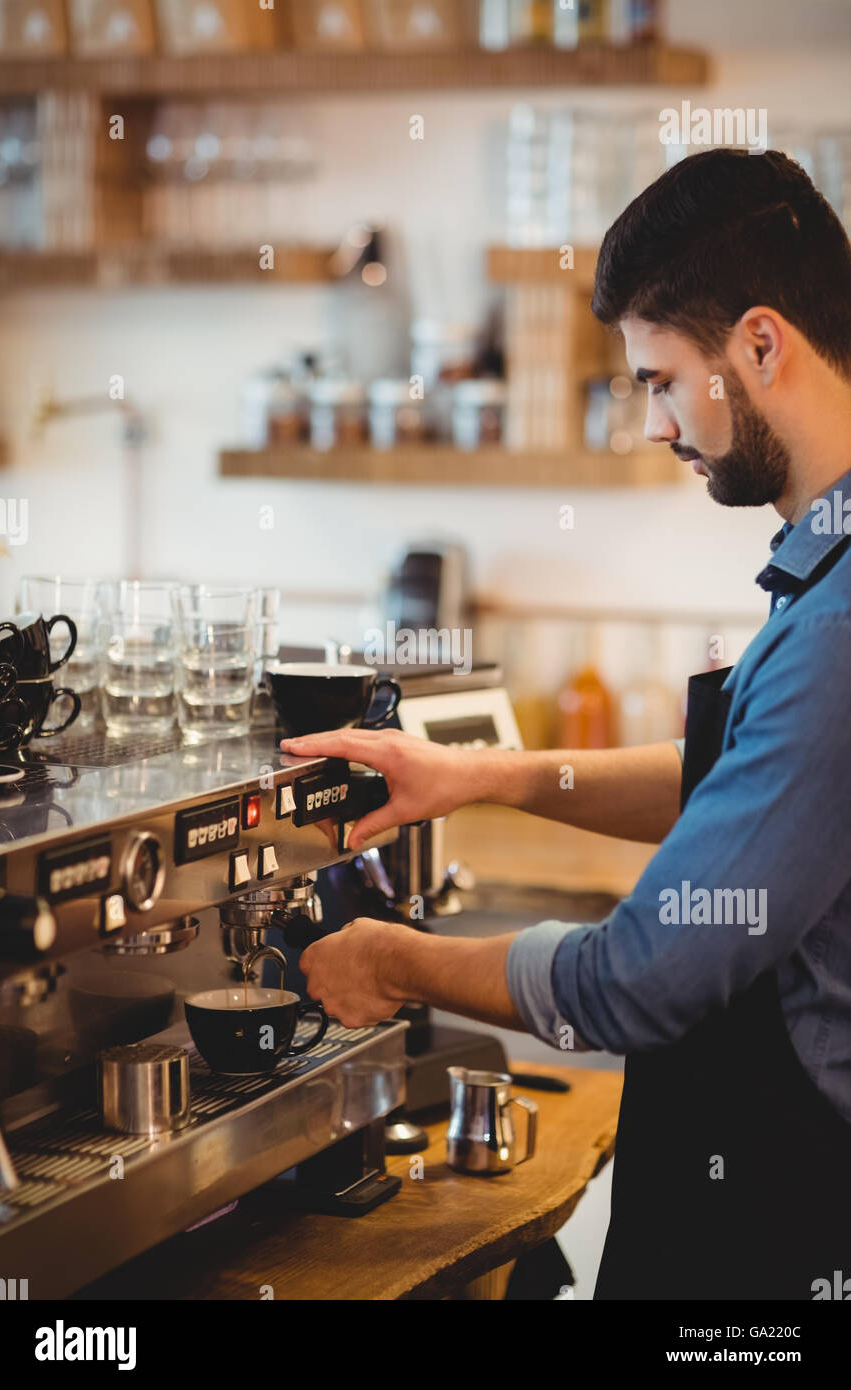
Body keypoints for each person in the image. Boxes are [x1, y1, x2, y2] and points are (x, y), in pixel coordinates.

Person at [281, 149, 851, 1301]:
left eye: (657, 379)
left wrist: (392, 961)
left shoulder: (837, 626)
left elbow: (633, 979)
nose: (654, 426)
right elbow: (750, 789)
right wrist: (474, 775)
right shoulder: (823, 583)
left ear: (758, 343)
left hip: (794, 1223)